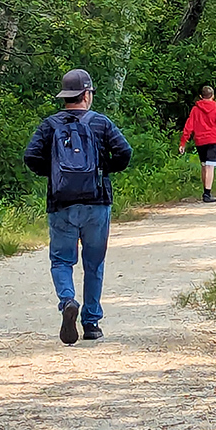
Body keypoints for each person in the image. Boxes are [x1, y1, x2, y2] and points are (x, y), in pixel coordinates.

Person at [24, 68, 132, 345]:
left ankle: (67, 301)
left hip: (61, 203)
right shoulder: (101, 123)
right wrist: (101, 170)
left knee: (61, 260)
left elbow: (31, 156)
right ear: (86, 94)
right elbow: (124, 152)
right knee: (93, 263)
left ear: (67, 96)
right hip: (97, 203)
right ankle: (92, 322)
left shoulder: (50, 125)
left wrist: (55, 175)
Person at [179, 85, 216, 203]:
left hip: (200, 141)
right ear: (213, 96)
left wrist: (183, 142)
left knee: (204, 165)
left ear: (201, 96)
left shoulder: (195, 110)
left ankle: (205, 191)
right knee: (210, 166)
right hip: (212, 140)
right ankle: (207, 193)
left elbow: (188, 126)